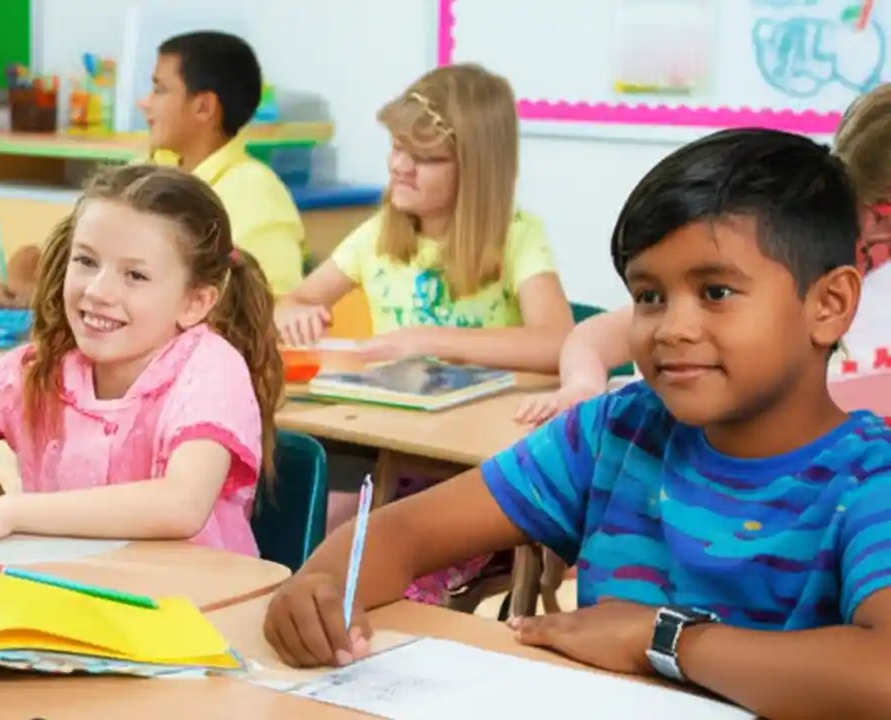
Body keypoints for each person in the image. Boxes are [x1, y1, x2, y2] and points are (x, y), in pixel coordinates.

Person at [263, 128, 891, 720]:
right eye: (648, 296)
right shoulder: (618, 433)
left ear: (829, 305)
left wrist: (663, 639)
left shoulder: (871, 477)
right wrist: (320, 586)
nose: (672, 327)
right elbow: (406, 532)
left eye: (716, 292)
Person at [0, 164, 283, 556]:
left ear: (195, 303)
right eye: (85, 261)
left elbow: (181, 504)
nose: (98, 291)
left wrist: (10, 513)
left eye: (135, 275)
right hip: (67, 599)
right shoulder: (39, 366)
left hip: (196, 616)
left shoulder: (209, 368)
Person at [516, 83, 891, 426]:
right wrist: (583, 387)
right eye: (877, 213)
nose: (877, 236)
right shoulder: (792, 276)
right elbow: (593, 338)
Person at [275, 64, 573, 370]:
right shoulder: (375, 236)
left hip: (485, 416)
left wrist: (428, 341)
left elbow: (558, 342)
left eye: (426, 158)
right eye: (397, 148)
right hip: (395, 414)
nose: (401, 166)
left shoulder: (517, 236)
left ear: (476, 173)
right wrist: (295, 314)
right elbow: (293, 303)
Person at [140, 30, 306, 296]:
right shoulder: (144, 172)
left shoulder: (256, 192)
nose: (144, 103)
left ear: (204, 106)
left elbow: (272, 308)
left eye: (160, 90)